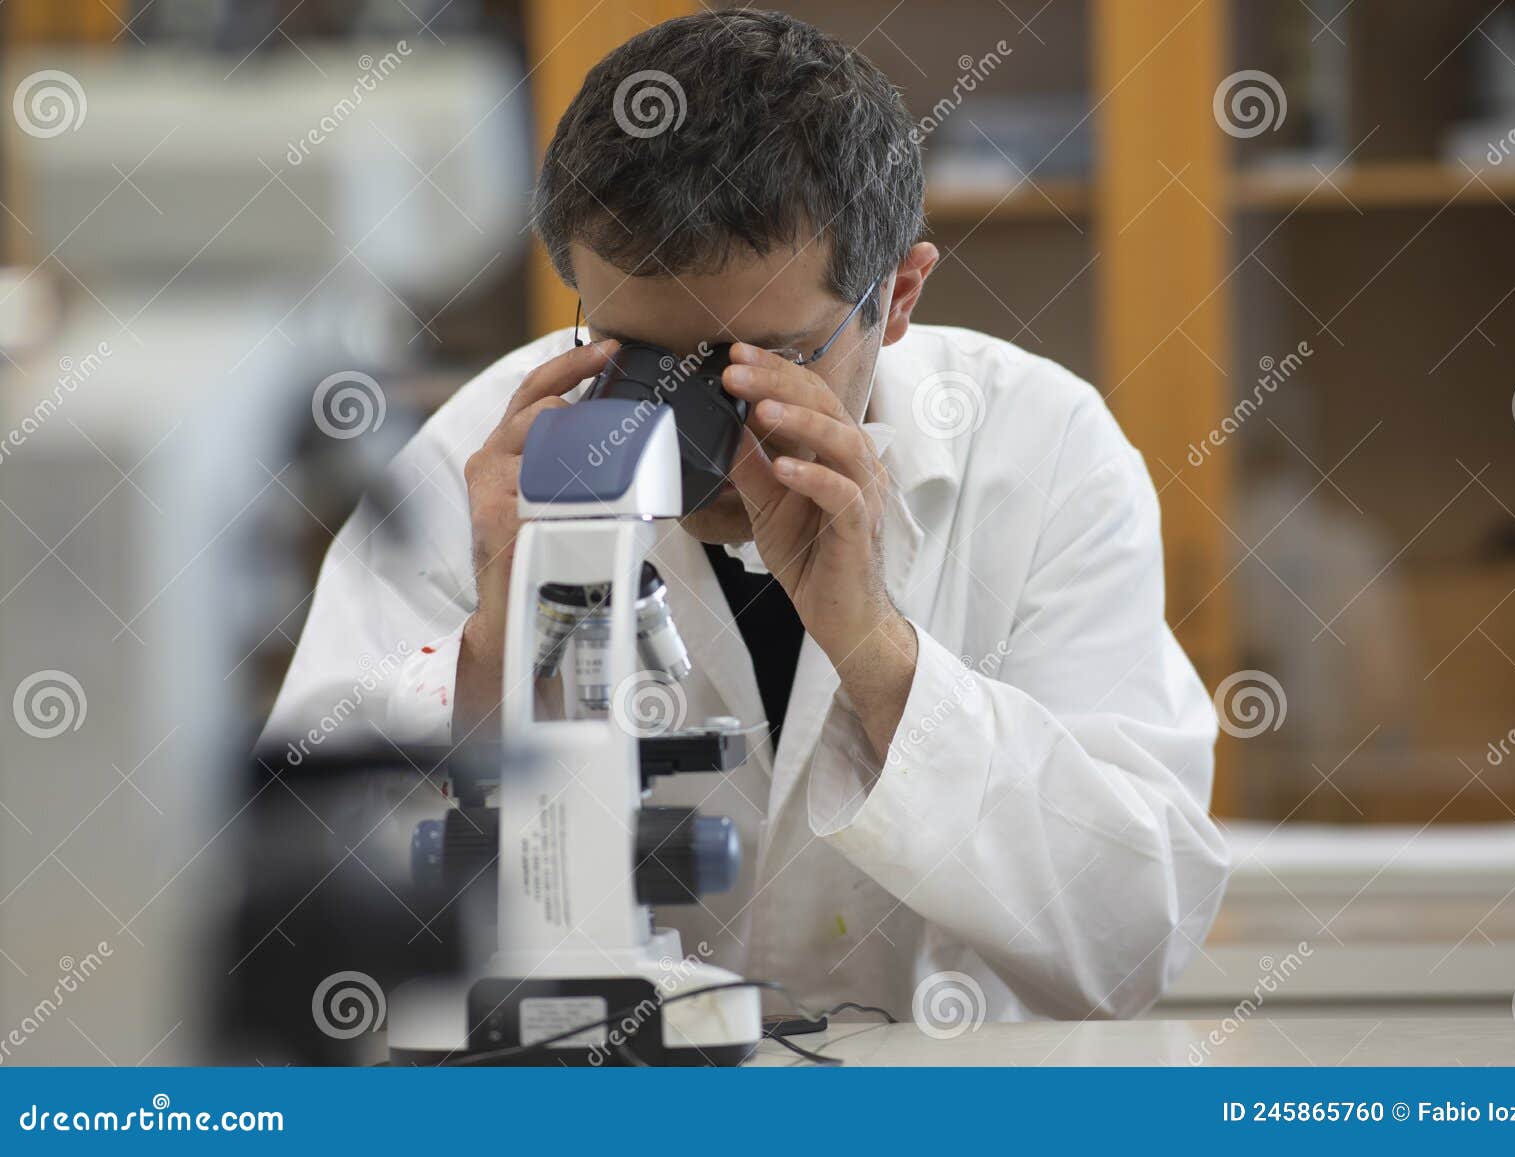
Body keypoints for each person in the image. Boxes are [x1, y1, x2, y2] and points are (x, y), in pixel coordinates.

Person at [264, 9, 1227, 1021]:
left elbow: (1131, 936)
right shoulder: (481, 459)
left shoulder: (1038, 449)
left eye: (761, 363)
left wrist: (880, 656)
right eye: (642, 358)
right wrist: (495, 656)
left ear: (895, 296)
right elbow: (286, 902)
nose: (701, 430)